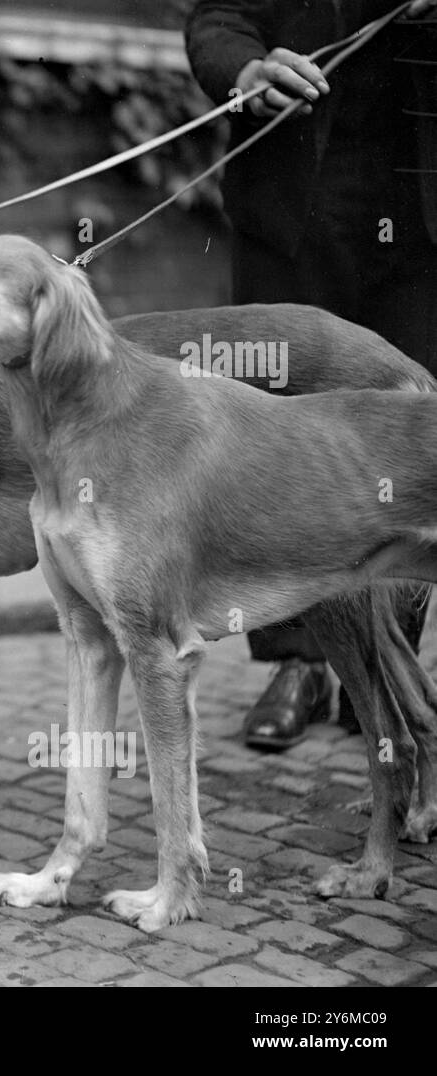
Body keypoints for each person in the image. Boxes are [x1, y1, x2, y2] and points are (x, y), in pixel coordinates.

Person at [185, 0, 437, 749]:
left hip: (422, 215)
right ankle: (296, 662)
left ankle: (389, 672)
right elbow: (217, 19)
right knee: (276, 450)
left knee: (413, 447)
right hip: (293, 209)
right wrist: (247, 72)